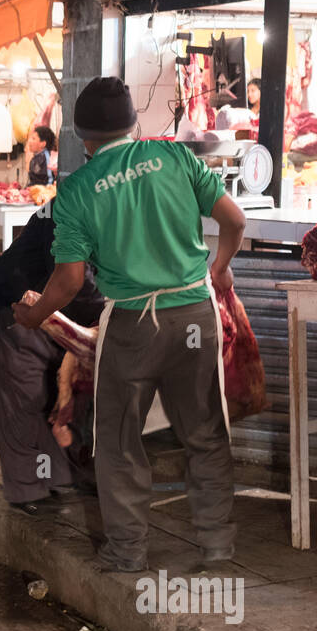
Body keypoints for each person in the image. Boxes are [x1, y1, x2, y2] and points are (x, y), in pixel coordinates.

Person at [12, 76, 248, 572]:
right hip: (194, 317)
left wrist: (34, 315)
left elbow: (69, 282)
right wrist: (220, 265)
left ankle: (127, 553)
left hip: (133, 326)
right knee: (204, 435)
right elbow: (236, 220)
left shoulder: (76, 190)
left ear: (82, 136)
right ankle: (218, 546)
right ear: (135, 123)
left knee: (120, 443)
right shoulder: (178, 158)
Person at [0, 209, 104, 514]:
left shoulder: (109, 210)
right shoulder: (67, 212)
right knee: (26, 396)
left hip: (55, 314)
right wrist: (114, 308)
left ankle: (64, 478)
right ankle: (29, 490)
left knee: (58, 394)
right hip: (12, 307)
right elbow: (74, 282)